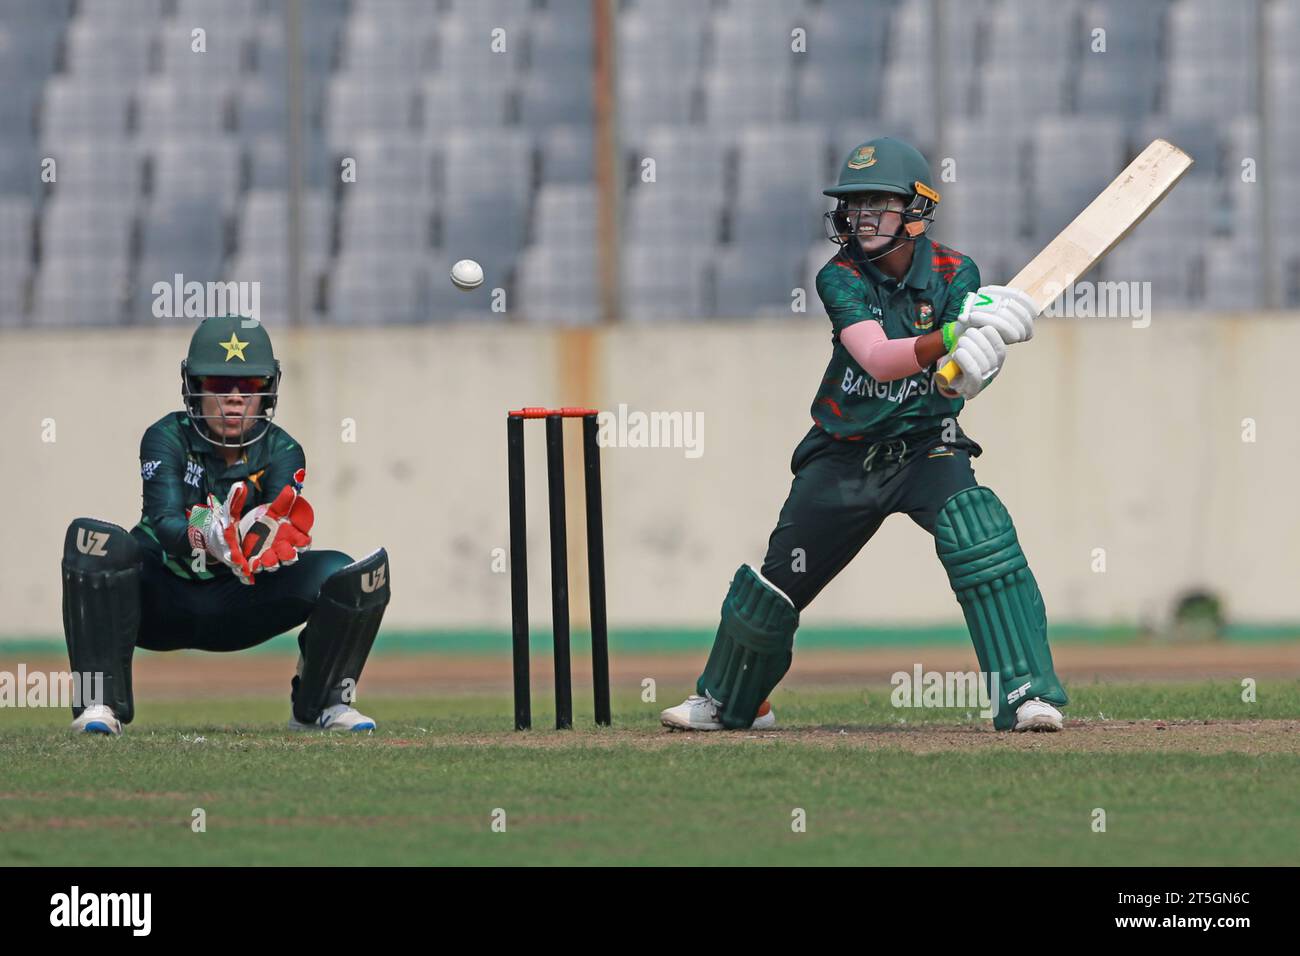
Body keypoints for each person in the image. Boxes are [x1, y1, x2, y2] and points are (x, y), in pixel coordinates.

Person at [661, 137, 1067, 733]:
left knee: (979, 531)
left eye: (879, 201)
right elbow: (879, 358)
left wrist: (976, 366)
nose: (862, 216)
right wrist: (955, 338)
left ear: (917, 209)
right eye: (855, 204)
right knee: (779, 583)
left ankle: (1028, 695)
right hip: (844, 454)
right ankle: (731, 699)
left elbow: (952, 382)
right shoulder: (840, 276)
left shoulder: (957, 272)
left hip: (928, 446)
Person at [62, 314, 391, 735]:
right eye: (219, 384)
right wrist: (210, 533)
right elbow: (164, 522)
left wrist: (255, 536)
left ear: (267, 392)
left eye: (250, 386)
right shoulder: (165, 436)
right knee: (95, 544)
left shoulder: (284, 450)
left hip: (240, 600)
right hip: (159, 600)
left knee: (349, 573)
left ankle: (322, 705)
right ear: (194, 390)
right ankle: (98, 706)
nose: (234, 399)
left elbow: (276, 523)